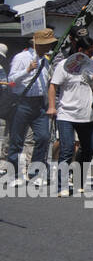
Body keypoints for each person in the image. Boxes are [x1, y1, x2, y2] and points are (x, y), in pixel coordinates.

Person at [46, 27, 93, 197]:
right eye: (89, 51)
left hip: (86, 114)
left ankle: (78, 180)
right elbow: (53, 86)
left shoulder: (90, 65)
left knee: (89, 148)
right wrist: (52, 106)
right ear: (80, 50)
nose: (91, 55)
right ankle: (61, 184)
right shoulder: (64, 64)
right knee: (67, 149)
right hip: (66, 114)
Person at [5, 27, 57, 187]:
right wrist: (27, 70)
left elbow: (48, 83)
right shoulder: (21, 57)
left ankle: (34, 172)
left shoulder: (45, 61)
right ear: (37, 44)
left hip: (39, 104)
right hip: (22, 101)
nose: (49, 47)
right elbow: (11, 79)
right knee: (16, 140)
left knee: (43, 137)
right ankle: (13, 174)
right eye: (46, 44)